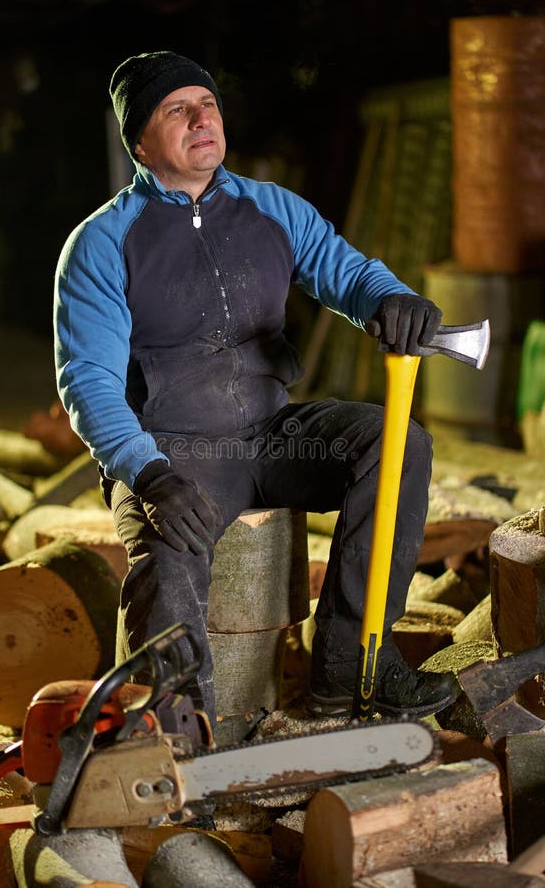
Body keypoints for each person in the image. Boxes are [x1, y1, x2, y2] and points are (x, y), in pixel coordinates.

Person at [53, 51, 459, 730]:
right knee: (168, 555)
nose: (200, 118)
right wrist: (148, 474)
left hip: (269, 437)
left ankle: (349, 667)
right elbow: (86, 381)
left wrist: (390, 299)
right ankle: (174, 741)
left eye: (206, 104)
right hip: (170, 451)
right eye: (175, 109)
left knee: (396, 444)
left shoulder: (270, 209)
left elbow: (344, 270)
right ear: (139, 141)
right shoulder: (102, 242)